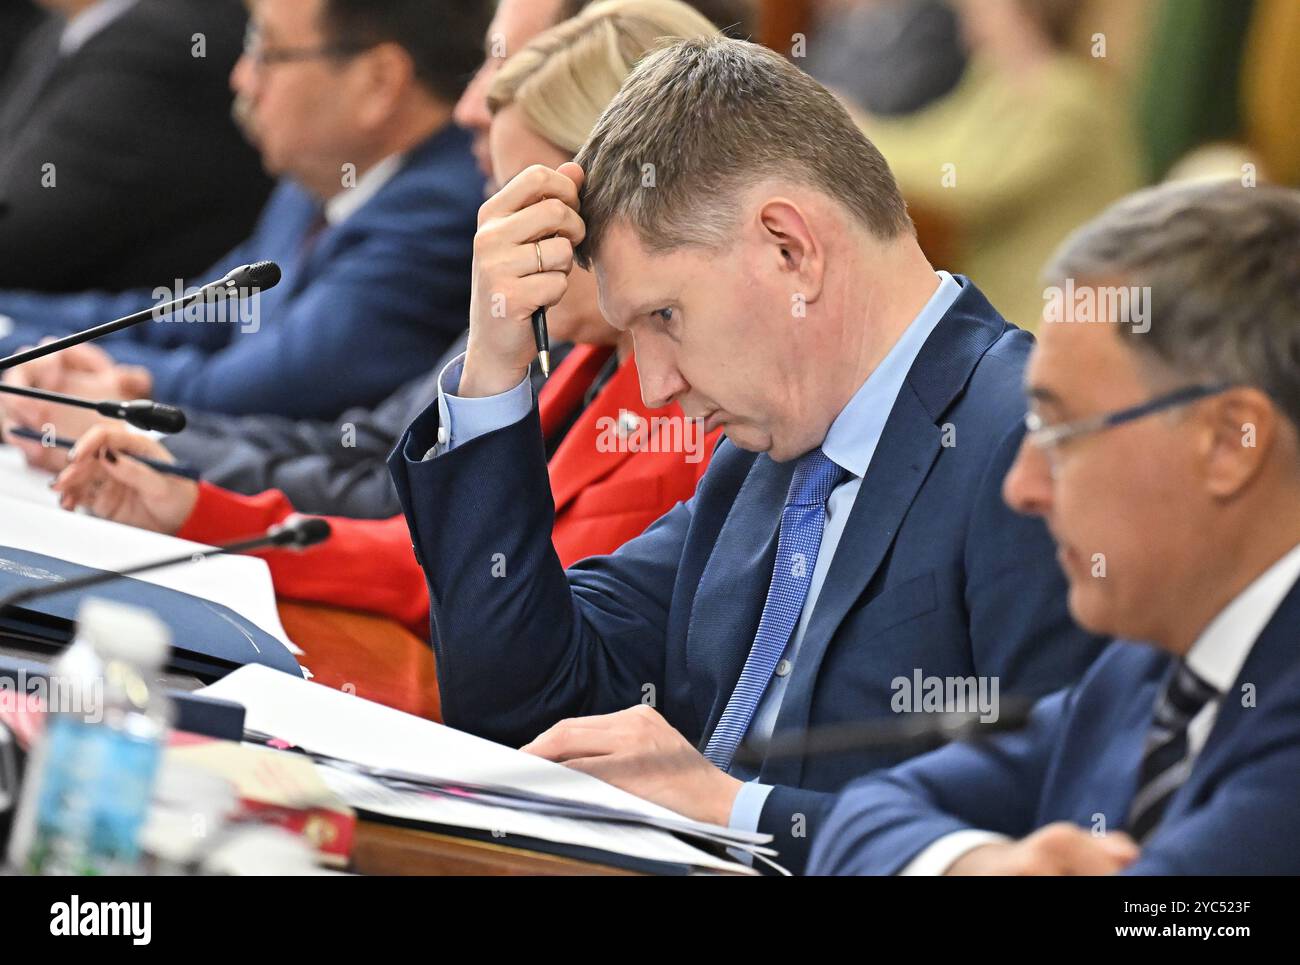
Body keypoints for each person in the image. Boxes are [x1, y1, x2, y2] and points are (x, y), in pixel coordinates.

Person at [388, 36, 1104, 873]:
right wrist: (493, 371)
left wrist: (738, 809)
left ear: (789, 247)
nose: (653, 388)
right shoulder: (757, 459)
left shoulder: (1031, 446)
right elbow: (523, 702)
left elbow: (1060, 828)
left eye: (663, 317)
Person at [46, 0, 726, 640]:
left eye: (522, 203)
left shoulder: (674, 394)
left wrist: (190, 491)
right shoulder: (584, 353)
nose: (466, 108)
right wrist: (191, 503)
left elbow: (509, 617)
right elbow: (428, 545)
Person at [808, 181, 1300, 876]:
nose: (1021, 487)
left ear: (1229, 441)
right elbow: (866, 813)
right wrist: (971, 864)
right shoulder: (1146, 666)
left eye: (1063, 431)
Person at [0, 0, 487, 419]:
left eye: (267, 52)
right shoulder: (318, 181)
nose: (241, 76)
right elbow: (181, 316)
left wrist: (64, 367)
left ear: (380, 82)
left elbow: (243, 392)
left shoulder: (441, 215)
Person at [856, 0, 1139, 331]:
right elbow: (933, 142)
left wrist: (856, 134)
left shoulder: (1070, 97)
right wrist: (857, 129)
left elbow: (968, 182)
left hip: (1053, 323)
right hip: (1001, 317)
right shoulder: (995, 81)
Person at [0, 0, 272, 294]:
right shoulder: (71, 25)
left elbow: (19, 236)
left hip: (157, 316)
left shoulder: (158, 41)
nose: (243, 80)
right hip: (138, 320)